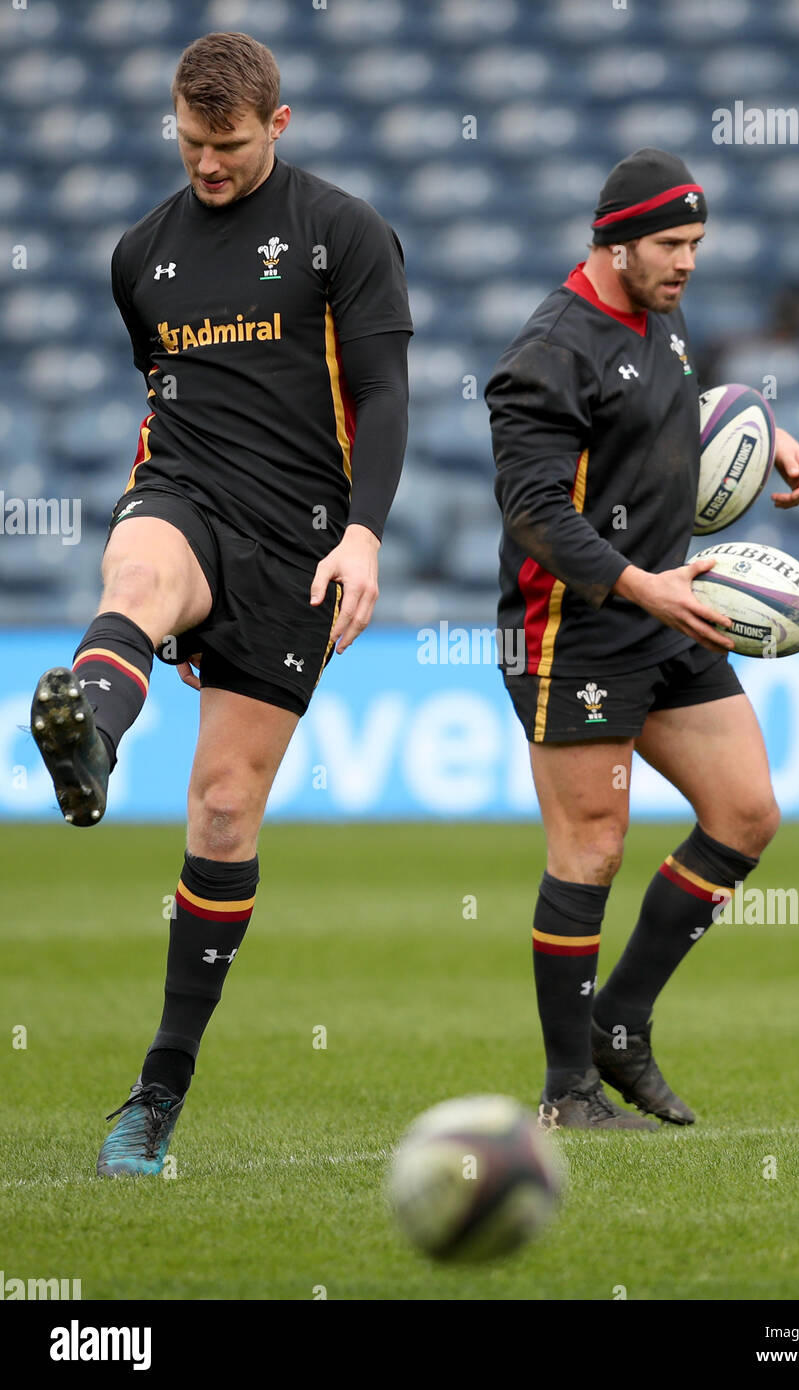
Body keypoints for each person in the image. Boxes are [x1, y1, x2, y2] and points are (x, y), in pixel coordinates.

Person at [29, 31, 412, 1174]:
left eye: (229, 145)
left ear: (276, 126)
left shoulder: (343, 232)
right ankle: (87, 738)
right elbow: (166, 391)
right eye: (192, 143)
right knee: (136, 579)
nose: (207, 164)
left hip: (298, 545)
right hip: (184, 490)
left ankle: (155, 1097)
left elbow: (385, 393)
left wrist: (363, 535)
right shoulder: (137, 253)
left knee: (222, 815)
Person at [485, 148, 799, 1131]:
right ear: (613, 239)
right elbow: (534, 511)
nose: (687, 262)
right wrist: (640, 587)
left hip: (670, 603)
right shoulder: (546, 355)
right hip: (572, 627)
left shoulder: (654, 312)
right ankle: (565, 1091)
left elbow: (671, 405)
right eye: (671, 244)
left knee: (745, 813)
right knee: (590, 845)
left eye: (696, 244)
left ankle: (619, 1023)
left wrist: (759, 429)